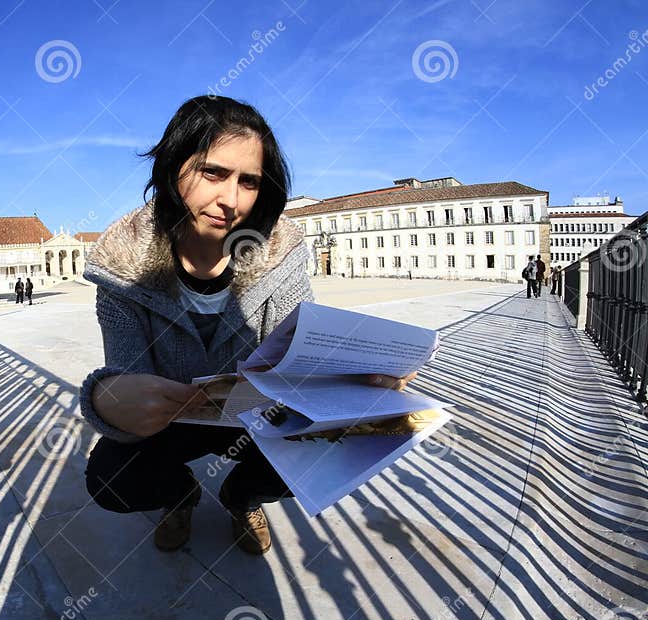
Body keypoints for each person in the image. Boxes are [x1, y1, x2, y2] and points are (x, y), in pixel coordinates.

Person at [80, 96, 417, 556]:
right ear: (174, 167)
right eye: (212, 172)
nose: (231, 200)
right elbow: (124, 378)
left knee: (336, 445)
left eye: (250, 182)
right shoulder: (123, 268)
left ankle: (242, 498)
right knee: (109, 478)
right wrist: (106, 398)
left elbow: (303, 350)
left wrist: (356, 383)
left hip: (252, 420)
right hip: (170, 422)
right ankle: (180, 496)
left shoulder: (280, 255)